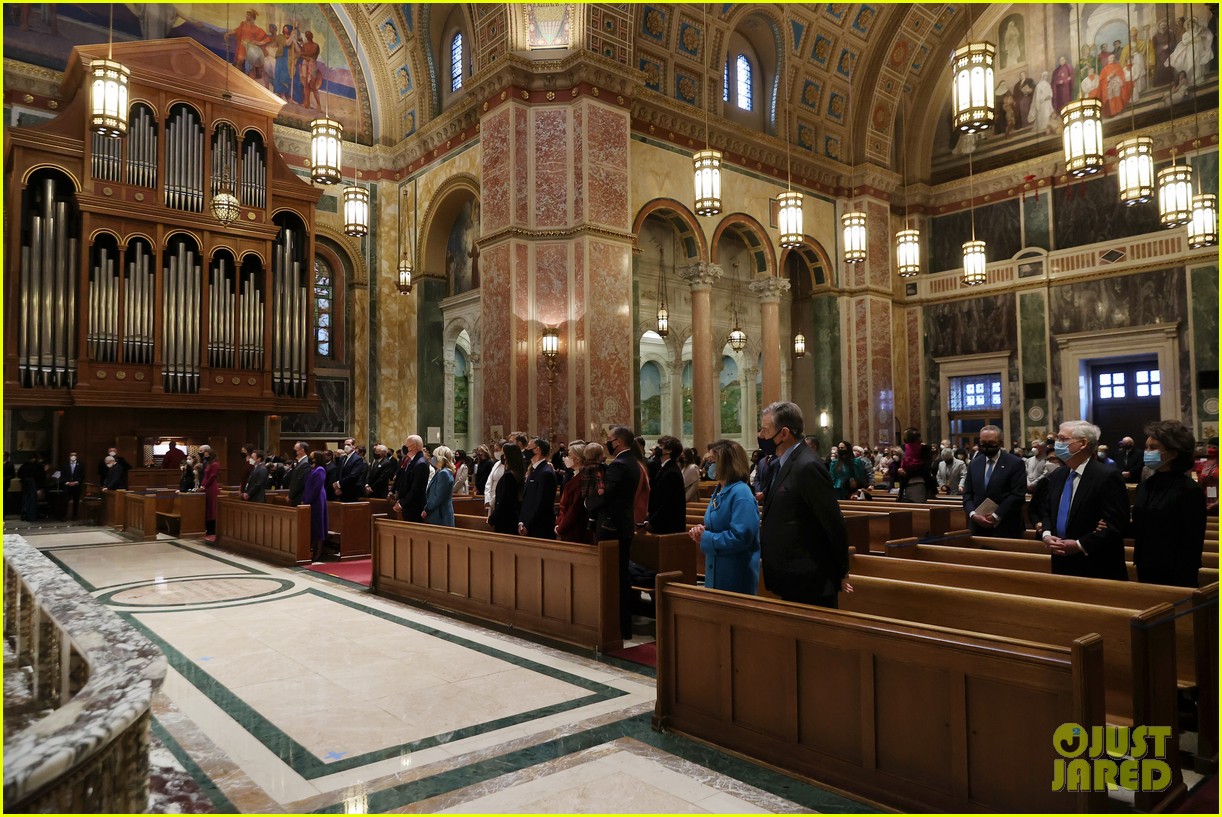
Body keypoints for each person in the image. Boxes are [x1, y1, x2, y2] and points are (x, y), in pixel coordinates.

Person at [758, 401, 851, 608]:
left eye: (765, 430)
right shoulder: (782, 463)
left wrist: (841, 571)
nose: (761, 436)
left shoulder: (807, 465)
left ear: (783, 433)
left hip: (810, 580)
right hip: (792, 576)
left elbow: (833, 523)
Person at [1040, 420, 1129, 580]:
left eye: (1062, 439)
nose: (1056, 444)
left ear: (1082, 443)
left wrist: (1079, 545)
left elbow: (1116, 524)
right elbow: (1048, 511)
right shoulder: (1058, 475)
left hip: (1095, 562)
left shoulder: (1107, 476)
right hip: (1060, 559)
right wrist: (1047, 534)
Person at [1129, 420, 1206, 587]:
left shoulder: (1189, 489)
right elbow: (1142, 526)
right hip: (1145, 566)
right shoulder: (1145, 485)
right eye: (1147, 447)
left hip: (1176, 572)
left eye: (1153, 448)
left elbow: (1192, 541)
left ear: (1173, 452)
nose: (1147, 452)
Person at [689, 440, 760, 594]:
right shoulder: (720, 490)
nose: (709, 467)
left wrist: (706, 538)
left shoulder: (741, 493)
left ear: (726, 464)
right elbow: (718, 524)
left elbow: (741, 537)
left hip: (735, 575)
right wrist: (702, 530)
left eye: (712, 462)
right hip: (717, 570)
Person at [597, 426, 641, 639]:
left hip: (612, 527)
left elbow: (606, 496)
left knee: (615, 577)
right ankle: (623, 625)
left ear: (619, 442)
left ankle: (619, 625)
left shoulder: (619, 465)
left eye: (610, 440)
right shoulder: (632, 462)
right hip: (624, 525)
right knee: (621, 575)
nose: (608, 443)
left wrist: (591, 503)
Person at [961, 425, 1028, 538]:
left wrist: (996, 516)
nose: (986, 446)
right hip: (978, 527)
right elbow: (967, 494)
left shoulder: (1015, 463)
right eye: (983, 442)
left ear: (1000, 443)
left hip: (1006, 527)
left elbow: (1018, 495)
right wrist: (973, 514)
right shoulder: (974, 463)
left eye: (991, 442)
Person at [644, 436, 686, 534]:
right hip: (662, 524)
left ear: (669, 450)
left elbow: (667, 503)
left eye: (661, 445)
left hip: (667, 527)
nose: (657, 447)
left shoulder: (671, 472)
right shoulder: (664, 468)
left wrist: (651, 522)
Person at [518, 438, 558, 539]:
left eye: (528, 447)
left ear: (537, 449)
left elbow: (541, 503)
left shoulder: (545, 473)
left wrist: (528, 524)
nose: (526, 450)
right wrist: (521, 522)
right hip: (528, 525)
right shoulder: (534, 470)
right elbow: (526, 499)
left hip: (539, 527)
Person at [555, 442, 590, 543]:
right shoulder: (574, 476)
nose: (566, 458)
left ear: (578, 459)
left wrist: (560, 527)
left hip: (576, 529)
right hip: (567, 525)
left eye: (569, 455)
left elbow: (574, 509)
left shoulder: (582, 479)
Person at [489, 443, 524, 535]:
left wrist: (493, 518)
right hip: (511, 517)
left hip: (506, 520)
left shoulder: (509, 476)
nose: (502, 457)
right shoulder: (517, 473)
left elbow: (504, 500)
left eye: (504, 454)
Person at [393, 435, 430, 523]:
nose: (405, 446)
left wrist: (402, 504)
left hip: (414, 507)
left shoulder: (420, 463)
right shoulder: (412, 461)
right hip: (408, 506)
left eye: (407, 444)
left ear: (413, 446)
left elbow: (416, 489)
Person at [304, 451, 330, 561]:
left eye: (311, 456)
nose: (310, 457)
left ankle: (318, 552)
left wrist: (308, 500)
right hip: (311, 498)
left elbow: (316, 488)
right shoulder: (314, 468)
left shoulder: (320, 470)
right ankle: (312, 549)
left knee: (319, 524)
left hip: (318, 500)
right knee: (313, 524)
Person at [896, 427, 935, 502]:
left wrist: (906, 473)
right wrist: (899, 470)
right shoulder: (903, 448)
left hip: (919, 483)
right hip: (906, 484)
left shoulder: (925, 449)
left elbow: (925, 469)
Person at [422, 446, 456, 526]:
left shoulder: (444, 473)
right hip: (438, 513)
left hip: (440, 514)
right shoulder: (441, 472)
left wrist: (427, 509)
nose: (432, 458)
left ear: (440, 458)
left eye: (434, 457)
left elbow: (438, 496)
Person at [198, 445, 221, 538]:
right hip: (206, 488)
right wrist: (202, 485)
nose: (205, 456)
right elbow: (205, 476)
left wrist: (205, 485)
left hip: (211, 488)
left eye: (207, 455)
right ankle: (207, 528)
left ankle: (212, 529)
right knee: (207, 508)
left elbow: (212, 477)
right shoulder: (208, 464)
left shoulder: (215, 464)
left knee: (212, 509)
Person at [18, 454, 44, 522]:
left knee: (25, 500)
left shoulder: (24, 465)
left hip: (25, 484)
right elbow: (41, 476)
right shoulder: (38, 466)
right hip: (33, 483)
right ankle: (31, 516)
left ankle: (24, 515)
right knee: (32, 501)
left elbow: (19, 474)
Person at [483, 441, 506, 516]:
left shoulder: (508, 465)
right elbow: (489, 482)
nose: (495, 452)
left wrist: (492, 501)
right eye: (494, 450)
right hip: (491, 498)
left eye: (497, 450)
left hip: (500, 498)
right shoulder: (496, 464)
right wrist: (487, 498)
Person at [1196, 440, 1218, 515]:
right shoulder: (1206, 464)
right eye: (1209, 447)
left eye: (1214, 447)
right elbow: (1201, 485)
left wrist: (1217, 503)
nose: (1210, 449)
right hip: (1207, 502)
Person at [62, 451, 84, 520]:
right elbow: (63, 475)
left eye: (74, 455)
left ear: (76, 456)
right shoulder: (65, 464)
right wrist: (67, 482)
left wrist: (76, 482)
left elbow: (82, 475)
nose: (73, 456)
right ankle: (64, 516)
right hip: (67, 486)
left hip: (76, 486)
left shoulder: (80, 465)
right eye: (72, 455)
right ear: (69, 456)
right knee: (65, 501)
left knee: (76, 501)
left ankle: (75, 516)